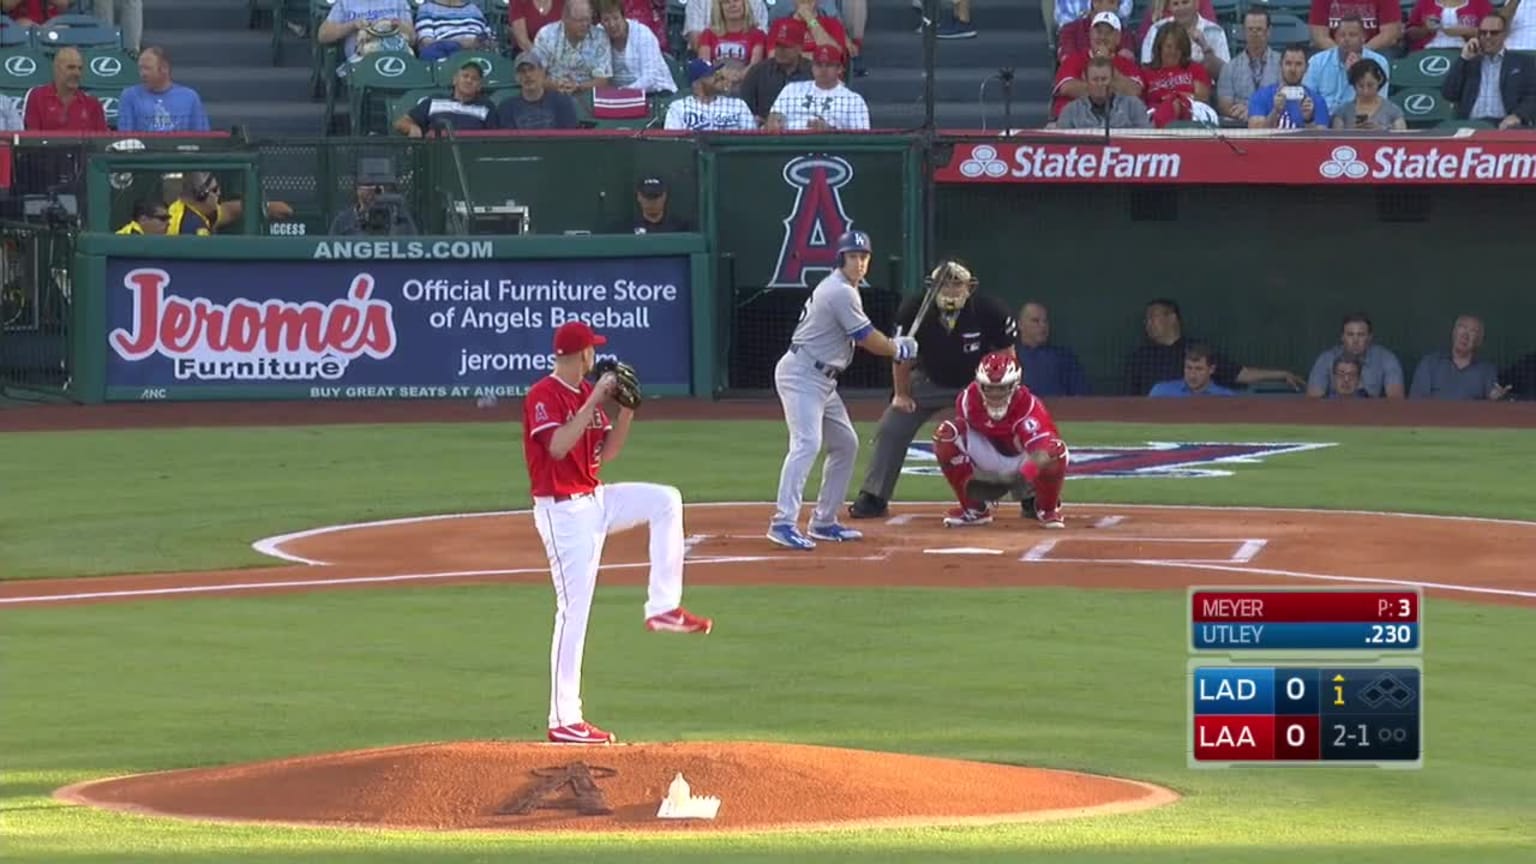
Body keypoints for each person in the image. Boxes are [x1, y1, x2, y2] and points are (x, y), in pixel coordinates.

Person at [522, 320, 713, 745]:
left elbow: (607, 453)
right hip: (562, 513)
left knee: (666, 500)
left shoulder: (584, 397)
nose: (596, 358)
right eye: (592, 350)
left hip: (596, 499)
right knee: (574, 611)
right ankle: (563, 718)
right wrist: (595, 397)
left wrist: (627, 410)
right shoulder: (545, 394)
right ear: (581, 354)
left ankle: (663, 607)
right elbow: (556, 446)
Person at [767, 230, 919, 550]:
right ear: (841, 259)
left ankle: (823, 522)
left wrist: (893, 347)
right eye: (853, 256)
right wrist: (896, 349)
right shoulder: (839, 292)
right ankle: (783, 522)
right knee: (807, 443)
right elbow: (865, 337)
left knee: (846, 444)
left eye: (864, 257)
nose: (860, 263)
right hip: (802, 374)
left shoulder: (848, 289)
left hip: (822, 379)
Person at [847, 260, 1018, 521]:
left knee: (1011, 424)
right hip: (929, 382)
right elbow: (901, 356)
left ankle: (1030, 494)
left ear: (969, 287)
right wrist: (901, 395)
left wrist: (1001, 395)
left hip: (977, 385)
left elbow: (1008, 355)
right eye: (943, 283)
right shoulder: (914, 310)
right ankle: (874, 495)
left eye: (956, 283)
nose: (949, 289)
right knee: (892, 426)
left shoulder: (989, 310)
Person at [931, 351, 1070, 529]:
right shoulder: (967, 400)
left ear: (1014, 385)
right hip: (990, 452)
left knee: (1056, 449)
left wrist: (1020, 476)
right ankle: (974, 509)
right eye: (989, 388)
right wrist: (980, 474)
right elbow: (964, 438)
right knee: (947, 434)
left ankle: (1046, 509)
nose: (995, 394)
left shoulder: (1028, 406)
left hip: (1023, 459)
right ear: (980, 385)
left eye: (1002, 388)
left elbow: (1044, 450)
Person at [1441, 14, 1536, 128]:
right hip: (1471, 126)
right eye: (1483, 32)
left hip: (1505, 126)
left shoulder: (1523, 62)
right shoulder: (1469, 62)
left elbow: (1533, 96)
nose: (1487, 36)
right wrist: (1463, 59)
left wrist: (1518, 116)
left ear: (1504, 35)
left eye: (1494, 33)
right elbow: (1449, 94)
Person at [1409, 314, 1510, 399]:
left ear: (1479, 341)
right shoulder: (1430, 363)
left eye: (1473, 331)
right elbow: (1417, 403)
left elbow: (1490, 407)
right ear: (1453, 333)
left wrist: (1496, 399)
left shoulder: (1487, 370)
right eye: (1462, 327)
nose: (1465, 335)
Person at [1305, 313, 1405, 398]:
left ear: (1370, 337)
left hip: (1371, 415)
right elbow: (1313, 401)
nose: (1355, 341)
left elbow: (1395, 402)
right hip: (1333, 414)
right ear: (1342, 337)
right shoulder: (1326, 359)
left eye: (1361, 335)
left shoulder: (1386, 358)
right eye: (1350, 335)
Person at [393, 58, 499, 135]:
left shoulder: (487, 107)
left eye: (474, 78)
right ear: (455, 80)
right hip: (436, 155)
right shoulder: (435, 101)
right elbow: (401, 122)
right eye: (465, 76)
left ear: (479, 86)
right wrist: (412, 127)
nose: (469, 81)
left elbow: (495, 138)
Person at [116, 47, 211, 133]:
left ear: (164, 69)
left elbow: (202, 137)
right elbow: (125, 137)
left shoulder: (190, 97)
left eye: (147, 68)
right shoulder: (130, 96)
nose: (142, 73)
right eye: (140, 68)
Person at [328, 158, 421, 235]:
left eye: (378, 187)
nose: (373, 191)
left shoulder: (400, 219)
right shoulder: (343, 221)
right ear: (357, 188)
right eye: (368, 184)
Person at [1055, 55, 1151, 128]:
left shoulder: (1133, 106)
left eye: (1104, 79)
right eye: (1095, 79)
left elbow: (1146, 139)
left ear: (1112, 79)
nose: (1100, 84)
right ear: (1086, 80)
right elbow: (1061, 146)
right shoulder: (1071, 110)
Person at [1016, 301, 1089, 397]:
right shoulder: (1009, 361)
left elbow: (1083, 397)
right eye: (1035, 321)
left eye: (1045, 321)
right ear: (1020, 324)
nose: (1042, 326)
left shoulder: (1064, 358)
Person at [1248, 45, 1331, 129]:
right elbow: (1254, 133)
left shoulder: (1317, 101)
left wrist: (1308, 120)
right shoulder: (1261, 96)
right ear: (1280, 65)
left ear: (1306, 67)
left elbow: (1321, 139)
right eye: (1288, 63)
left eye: (1298, 64)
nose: (1293, 69)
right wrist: (1275, 112)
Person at [663, 57, 756, 131]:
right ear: (697, 83)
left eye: (716, 73)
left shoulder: (738, 105)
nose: (717, 77)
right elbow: (673, 141)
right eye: (711, 75)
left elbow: (751, 138)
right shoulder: (679, 107)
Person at [498, 52, 581, 129]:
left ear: (542, 72)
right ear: (516, 77)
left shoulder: (562, 102)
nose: (528, 75)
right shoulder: (507, 108)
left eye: (532, 69)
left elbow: (571, 139)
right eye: (522, 71)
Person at [1331, 58, 1406, 129]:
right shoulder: (1342, 112)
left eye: (1370, 85)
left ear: (1379, 80)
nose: (1365, 91)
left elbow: (1401, 137)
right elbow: (1336, 139)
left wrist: (1382, 131)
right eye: (1360, 86)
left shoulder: (1394, 111)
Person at [1148, 343, 1238, 396]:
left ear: (1211, 369)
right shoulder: (1161, 392)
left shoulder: (1226, 397)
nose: (1192, 375)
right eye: (1189, 368)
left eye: (1199, 369)